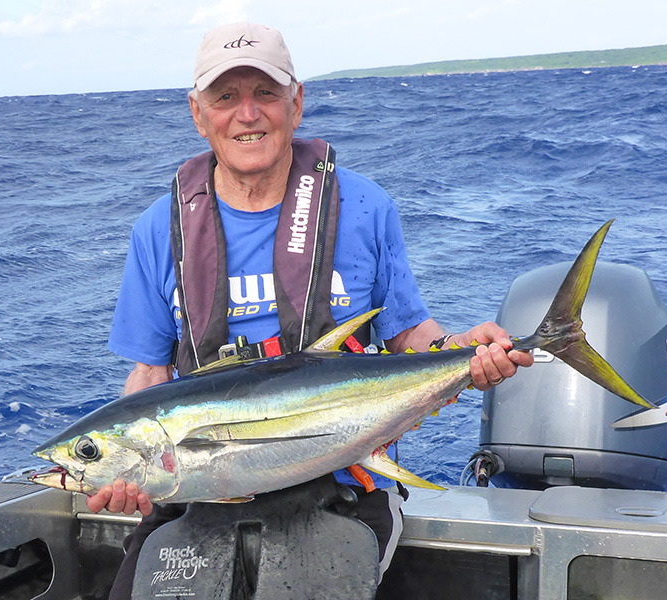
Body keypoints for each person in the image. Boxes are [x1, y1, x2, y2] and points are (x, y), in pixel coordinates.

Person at [92, 21, 533, 597]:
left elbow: (408, 335)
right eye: (226, 97)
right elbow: (149, 376)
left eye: (265, 94)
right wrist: (129, 470)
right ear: (199, 114)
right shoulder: (159, 229)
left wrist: (461, 354)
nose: (247, 114)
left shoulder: (365, 206)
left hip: (344, 484)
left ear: (296, 103)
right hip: (198, 491)